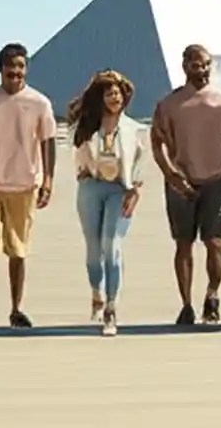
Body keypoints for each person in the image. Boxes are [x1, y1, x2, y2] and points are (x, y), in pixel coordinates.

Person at [0, 43, 57, 329]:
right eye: (10, 67)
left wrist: (48, 180)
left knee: (18, 248)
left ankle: (16, 308)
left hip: (24, 184)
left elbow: (48, 142)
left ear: (26, 69)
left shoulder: (39, 103)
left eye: (20, 67)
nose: (15, 72)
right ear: (0, 68)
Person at [151, 44, 221, 325]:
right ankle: (186, 304)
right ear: (185, 67)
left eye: (205, 64)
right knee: (183, 244)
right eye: (195, 65)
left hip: (216, 181)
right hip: (181, 183)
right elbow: (157, 143)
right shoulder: (169, 104)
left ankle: (212, 296)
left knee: (215, 242)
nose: (201, 70)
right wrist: (171, 174)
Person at [67, 69, 144, 337]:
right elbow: (76, 149)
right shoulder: (87, 125)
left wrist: (135, 190)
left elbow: (139, 161)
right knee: (93, 250)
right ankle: (96, 293)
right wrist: (82, 170)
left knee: (112, 246)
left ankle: (112, 307)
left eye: (117, 93)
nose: (114, 98)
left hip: (120, 190)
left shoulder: (132, 128)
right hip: (92, 187)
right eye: (109, 93)